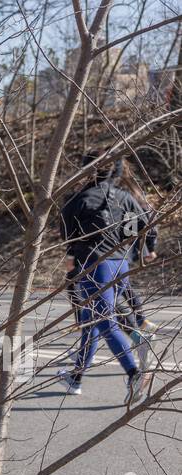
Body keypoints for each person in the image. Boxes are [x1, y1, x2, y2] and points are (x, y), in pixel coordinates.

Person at [58, 156, 149, 403]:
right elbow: (143, 222)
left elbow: (67, 231)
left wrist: (72, 254)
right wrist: (132, 246)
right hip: (120, 265)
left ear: (87, 172)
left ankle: (134, 373)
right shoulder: (124, 197)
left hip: (95, 265)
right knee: (91, 323)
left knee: (104, 321)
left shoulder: (80, 199)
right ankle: (76, 377)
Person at [115, 164, 159, 341]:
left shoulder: (118, 192)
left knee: (113, 294)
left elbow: (135, 221)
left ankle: (138, 334)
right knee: (124, 286)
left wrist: (126, 237)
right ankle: (142, 322)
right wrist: (150, 246)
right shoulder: (134, 188)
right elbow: (148, 218)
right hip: (127, 245)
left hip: (118, 246)